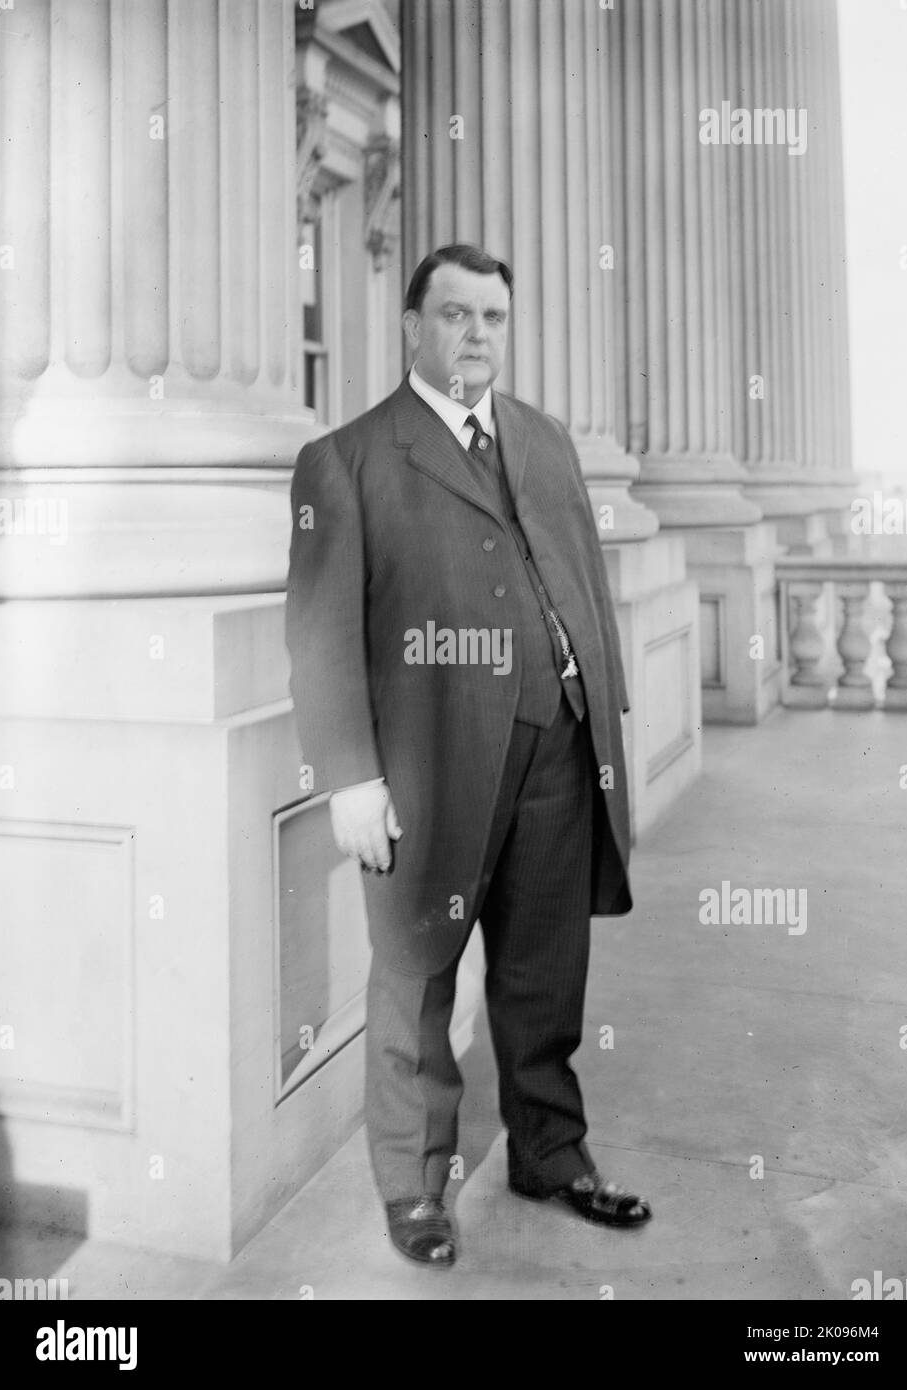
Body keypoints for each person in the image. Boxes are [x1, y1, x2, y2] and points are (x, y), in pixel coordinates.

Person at [285, 243, 651, 1267]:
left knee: (543, 971)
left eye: (492, 316)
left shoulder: (544, 440)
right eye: (455, 315)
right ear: (414, 327)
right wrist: (349, 776)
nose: (476, 334)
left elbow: (581, 582)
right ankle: (416, 1186)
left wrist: (604, 721)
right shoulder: (348, 460)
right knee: (415, 983)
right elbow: (317, 633)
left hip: (559, 752)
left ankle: (549, 1149)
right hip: (426, 772)